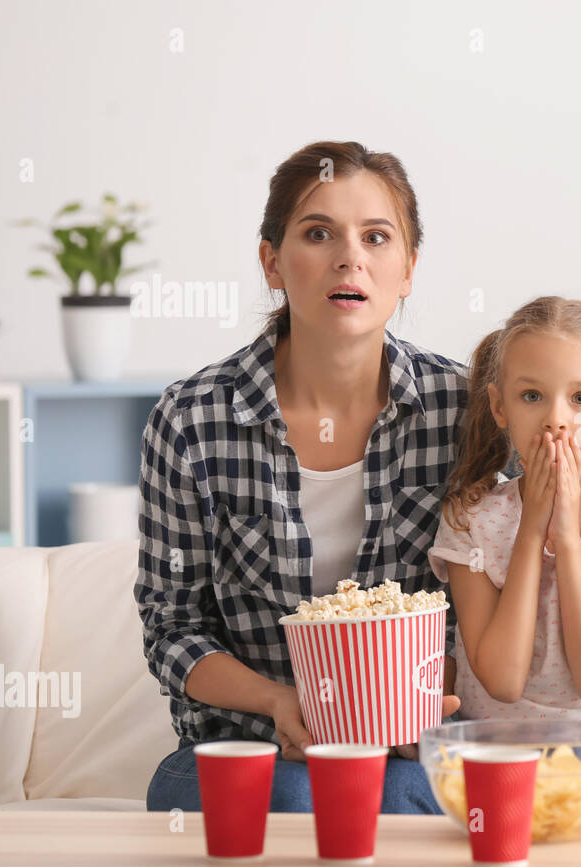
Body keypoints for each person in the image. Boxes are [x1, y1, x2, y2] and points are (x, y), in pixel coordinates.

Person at [138, 141, 467, 814]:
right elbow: (172, 627)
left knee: (405, 803)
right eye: (319, 234)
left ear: (407, 269)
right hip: (244, 744)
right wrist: (279, 703)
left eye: (377, 237)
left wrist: (430, 696)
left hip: (407, 744)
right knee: (290, 798)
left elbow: (493, 597)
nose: (351, 257)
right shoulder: (192, 420)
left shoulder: (462, 411)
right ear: (273, 262)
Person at [427, 297, 581, 756]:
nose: (556, 419)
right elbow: (502, 682)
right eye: (531, 396)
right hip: (495, 759)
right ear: (499, 407)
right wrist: (530, 531)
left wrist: (565, 539)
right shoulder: (469, 517)